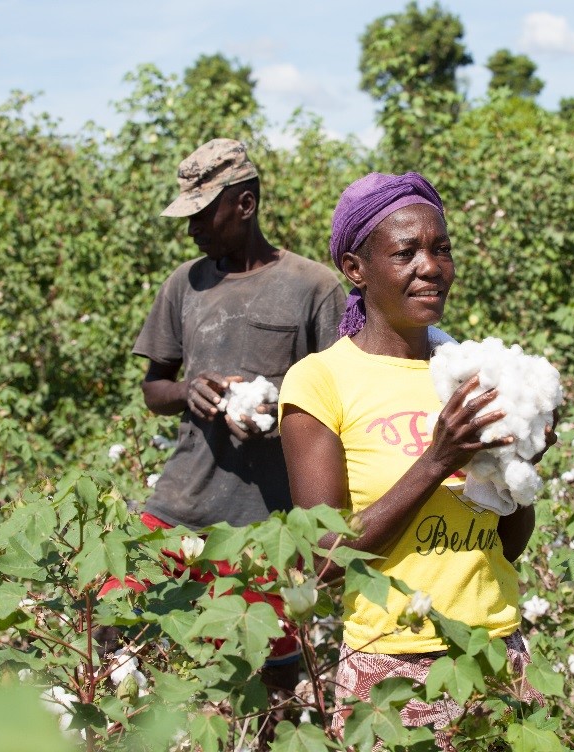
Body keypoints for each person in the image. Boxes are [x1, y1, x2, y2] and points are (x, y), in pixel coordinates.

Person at [278, 172, 551, 747]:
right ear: (356, 268)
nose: (430, 266)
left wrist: (523, 470)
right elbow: (324, 565)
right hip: (394, 671)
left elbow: (504, 545)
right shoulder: (322, 381)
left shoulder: (468, 369)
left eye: (441, 248)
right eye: (406, 252)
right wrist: (436, 461)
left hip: (497, 653)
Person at [127, 138, 346, 691]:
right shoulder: (186, 283)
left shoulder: (315, 288)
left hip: (269, 529)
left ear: (244, 204)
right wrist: (189, 392)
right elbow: (154, 390)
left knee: (266, 689)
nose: (192, 228)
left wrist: (277, 403)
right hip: (179, 509)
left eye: (202, 213)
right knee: (125, 652)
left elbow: (346, 396)